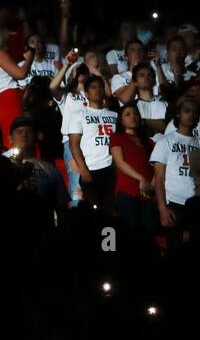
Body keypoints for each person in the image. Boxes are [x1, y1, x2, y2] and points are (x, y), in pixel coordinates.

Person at [150, 96, 200, 231]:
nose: (191, 114)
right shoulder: (165, 141)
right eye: (187, 110)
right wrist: (162, 209)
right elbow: (159, 178)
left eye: (195, 112)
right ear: (178, 114)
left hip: (197, 203)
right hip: (174, 203)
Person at [65, 75, 118, 213]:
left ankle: (110, 235)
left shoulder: (115, 116)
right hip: (91, 169)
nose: (98, 90)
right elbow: (73, 144)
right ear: (87, 93)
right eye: (93, 87)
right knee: (93, 211)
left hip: (112, 169)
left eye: (100, 87)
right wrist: (83, 170)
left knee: (110, 211)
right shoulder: (79, 114)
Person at [0, 25, 35, 147]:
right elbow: (21, 74)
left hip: (0, 105)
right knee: (21, 141)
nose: (9, 42)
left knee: (10, 143)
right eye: (7, 39)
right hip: (11, 100)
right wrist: (29, 58)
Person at [109, 103, 156, 232]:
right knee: (130, 231)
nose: (133, 117)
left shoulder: (149, 141)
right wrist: (141, 179)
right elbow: (120, 163)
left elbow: (157, 166)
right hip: (127, 190)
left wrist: (151, 185)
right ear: (121, 120)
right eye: (128, 114)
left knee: (148, 232)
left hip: (148, 192)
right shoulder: (117, 137)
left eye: (135, 114)